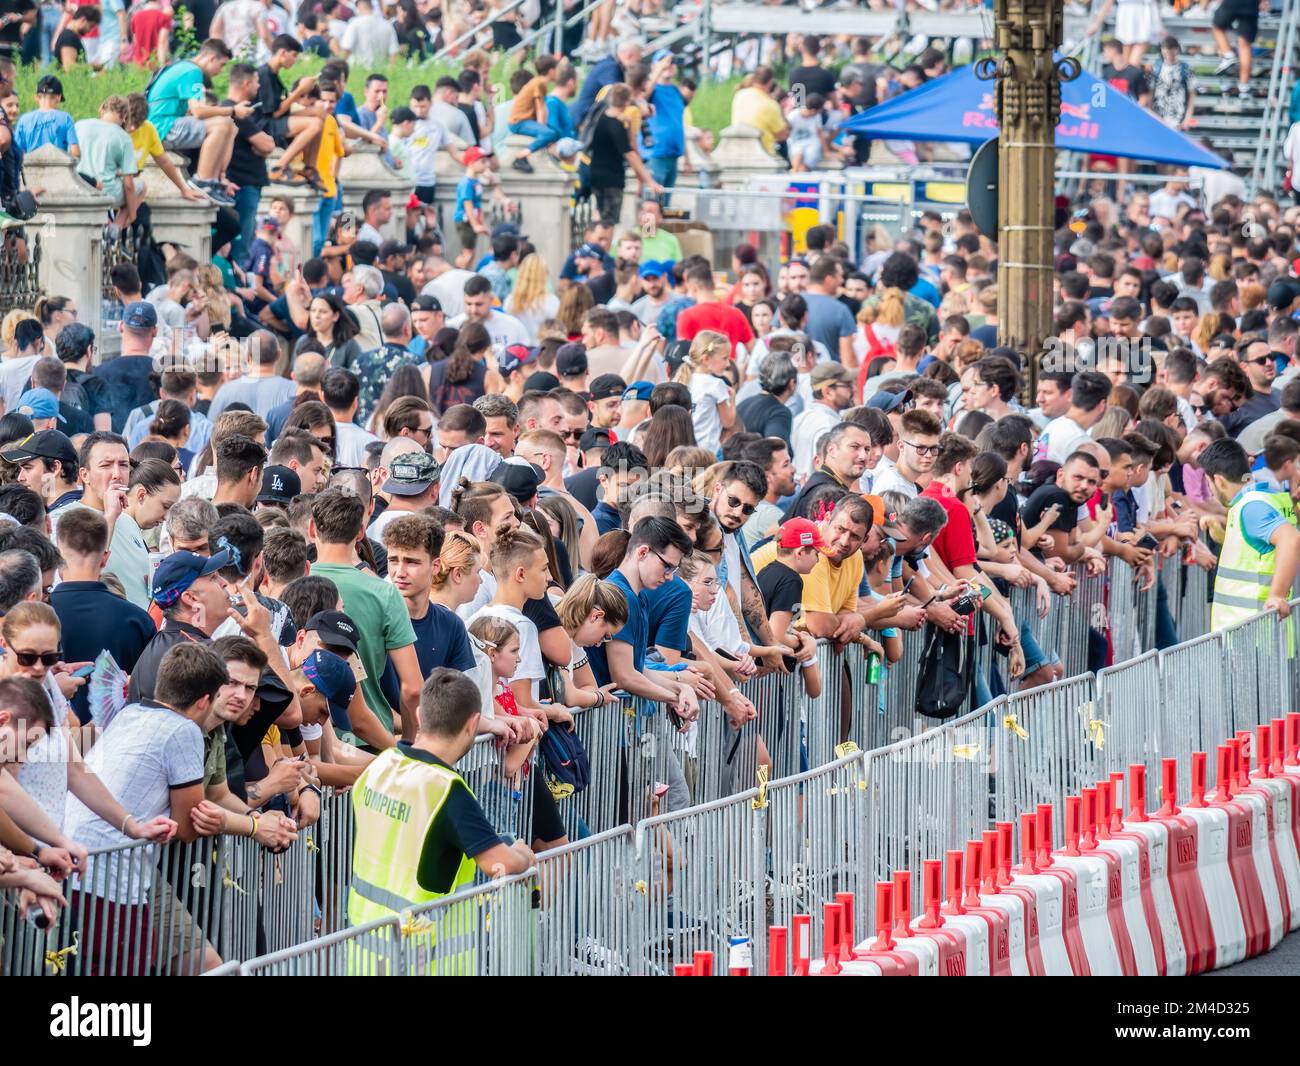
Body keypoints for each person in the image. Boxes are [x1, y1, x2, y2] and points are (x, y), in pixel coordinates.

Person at [346, 668, 534, 941]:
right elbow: (498, 863)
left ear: (420, 715)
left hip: (363, 948)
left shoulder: (381, 765)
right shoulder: (447, 790)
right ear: (473, 724)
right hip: (422, 954)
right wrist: (522, 855)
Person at [309, 487, 422, 740]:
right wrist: (409, 742)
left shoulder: (296, 583)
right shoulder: (385, 593)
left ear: (312, 529)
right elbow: (413, 688)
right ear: (361, 533)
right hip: (372, 738)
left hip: (310, 741)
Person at [1201, 438, 1300, 629]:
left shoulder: (1251, 506)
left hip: (1255, 638)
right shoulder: (1249, 503)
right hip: (1250, 636)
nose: (1211, 492)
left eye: (1209, 484)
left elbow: (1290, 539)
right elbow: (1256, 551)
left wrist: (1277, 596)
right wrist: (1221, 536)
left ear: (1219, 480)